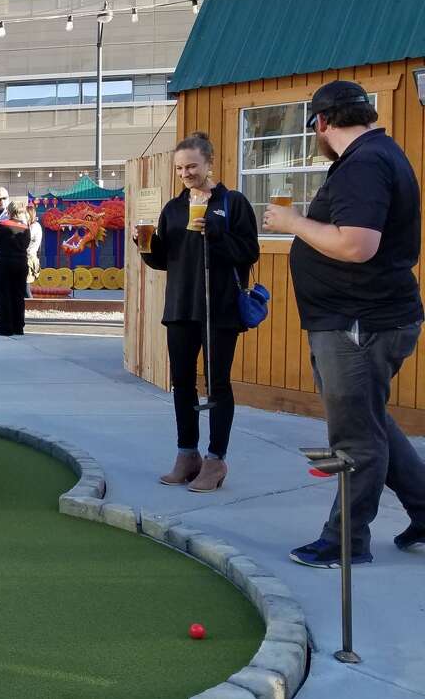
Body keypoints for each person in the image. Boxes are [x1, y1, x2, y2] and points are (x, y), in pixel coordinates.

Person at [263, 81, 425, 567]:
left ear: (322, 123)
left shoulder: (364, 164)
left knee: (356, 438)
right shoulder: (376, 155)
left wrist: (292, 223)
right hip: (363, 318)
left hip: (359, 323)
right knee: (370, 422)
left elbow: (357, 245)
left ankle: (346, 542)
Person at [135, 132, 259, 493]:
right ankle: (187, 455)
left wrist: (218, 234)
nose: (185, 173)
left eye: (191, 166)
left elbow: (249, 252)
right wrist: (147, 247)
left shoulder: (233, 203)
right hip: (180, 306)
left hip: (220, 308)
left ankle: (215, 460)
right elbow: (166, 260)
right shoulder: (173, 208)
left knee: (217, 383)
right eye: (179, 168)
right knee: (183, 383)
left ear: (209, 163)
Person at [0, 201, 33, 336]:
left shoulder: (3, 225)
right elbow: (26, 245)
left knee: (4, 295)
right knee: (18, 295)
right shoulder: (26, 228)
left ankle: (6, 328)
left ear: (9, 212)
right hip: (21, 264)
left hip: (4, 264)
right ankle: (18, 327)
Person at [25, 201, 43, 299]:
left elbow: (26, 239)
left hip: (29, 258)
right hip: (30, 257)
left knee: (25, 286)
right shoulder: (34, 226)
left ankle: (31, 305)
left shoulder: (34, 226)